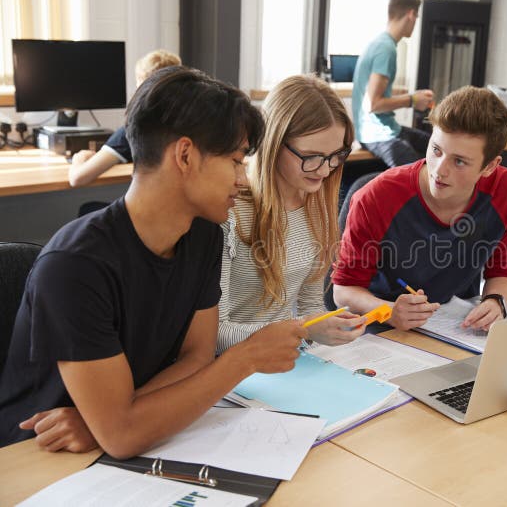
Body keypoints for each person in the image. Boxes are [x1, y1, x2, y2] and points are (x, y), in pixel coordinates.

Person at [0, 67, 308, 456]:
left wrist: (112, 420)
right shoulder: (73, 267)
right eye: (235, 160)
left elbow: (196, 357)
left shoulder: (203, 234)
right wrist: (243, 360)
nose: (243, 180)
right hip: (38, 454)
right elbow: (123, 438)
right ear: (184, 155)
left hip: (132, 436)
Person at [332, 86, 507, 333]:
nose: (440, 170)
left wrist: (496, 301)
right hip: (384, 329)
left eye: (459, 161)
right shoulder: (376, 197)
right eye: (436, 150)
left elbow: (504, 267)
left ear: (489, 166)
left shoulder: (506, 189)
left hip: (457, 325)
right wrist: (389, 311)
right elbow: (343, 291)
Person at [216, 75, 366, 353]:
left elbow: (309, 308)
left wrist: (328, 326)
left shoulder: (315, 207)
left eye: (335, 156)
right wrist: (303, 329)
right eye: (311, 156)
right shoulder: (229, 211)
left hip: (286, 361)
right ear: (274, 144)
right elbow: (214, 334)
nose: (324, 170)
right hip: (231, 369)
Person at [68, 49, 182, 187]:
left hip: (146, 207)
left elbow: (77, 179)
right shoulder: (191, 124)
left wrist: (78, 159)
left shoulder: (136, 129)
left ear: (143, 86)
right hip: (181, 206)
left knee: (88, 208)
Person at [352, 0, 435, 168]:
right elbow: (372, 104)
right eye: (417, 18)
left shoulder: (380, 43)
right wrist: (412, 100)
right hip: (377, 135)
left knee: (437, 146)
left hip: (383, 130)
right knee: (422, 174)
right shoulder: (386, 49)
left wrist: (413, 96)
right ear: (411, 15)